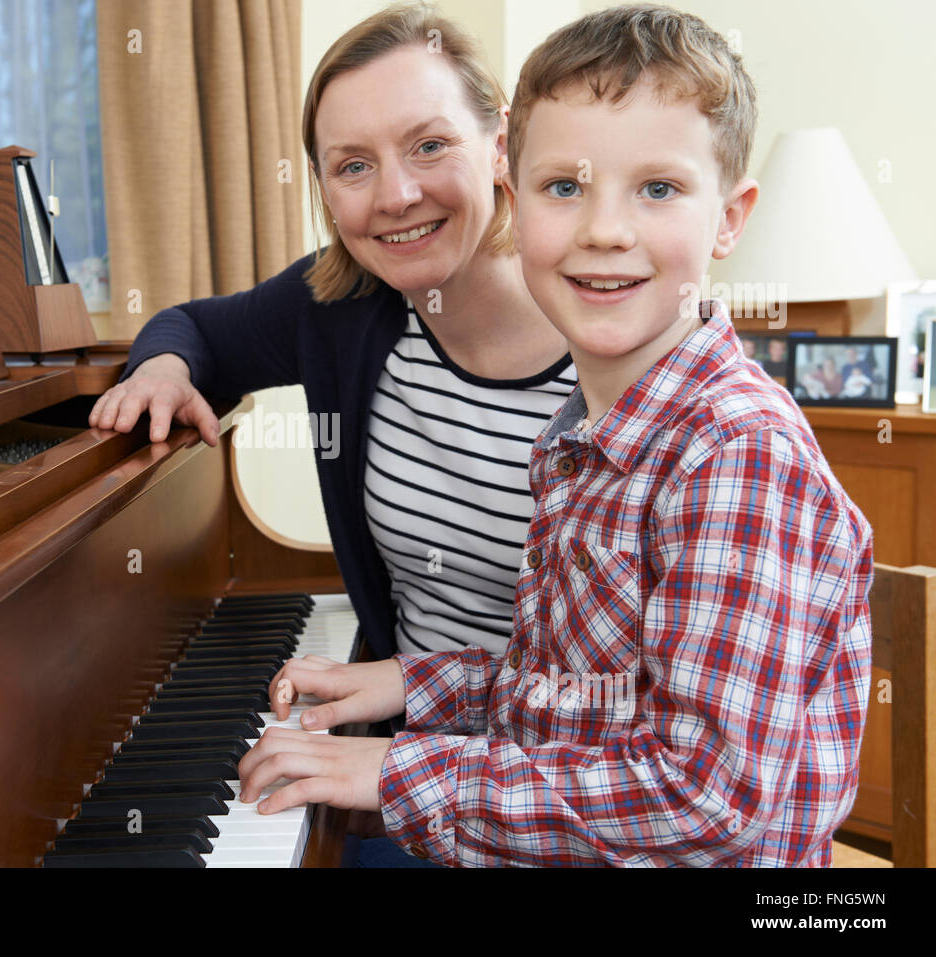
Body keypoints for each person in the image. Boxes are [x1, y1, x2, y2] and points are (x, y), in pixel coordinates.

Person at [238, 3, 874, 867]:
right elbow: (574, 699)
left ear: (730, 217)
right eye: (565, 188)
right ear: (513, 185)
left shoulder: (738, 456)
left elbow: (698, 795)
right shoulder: (582, 434)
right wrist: (405, 682)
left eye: (658, 188)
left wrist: (395, 768)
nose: (604, 230)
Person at [91, 9, 574, 666]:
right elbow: (192, 326)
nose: (397, 195)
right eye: (353, 166)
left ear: (500, 142)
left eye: (429, 146)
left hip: (558, 759)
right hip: (399, 733)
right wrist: (163, 371)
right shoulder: (339, 306)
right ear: (322, 186)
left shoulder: (606, 323)